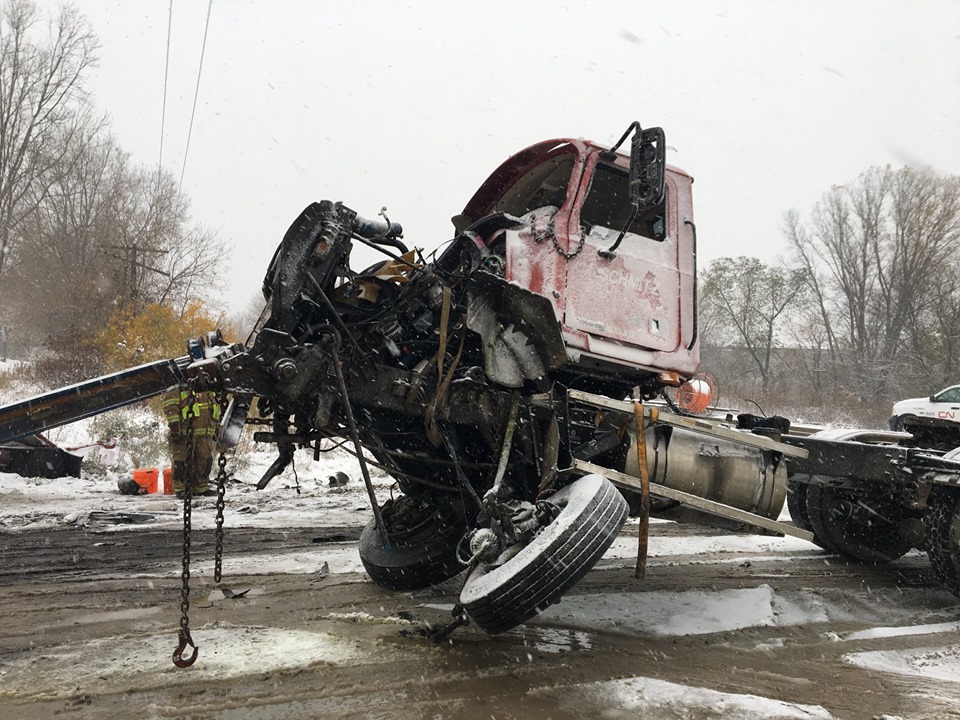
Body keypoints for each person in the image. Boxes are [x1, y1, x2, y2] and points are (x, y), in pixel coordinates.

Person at [163, 386, 221, 498]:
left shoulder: (207, 385)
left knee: (205, 459)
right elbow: (170, 405)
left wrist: (217, 427)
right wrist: (174, 426)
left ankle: (201, 487)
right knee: (181, 461)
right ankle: (181, 488)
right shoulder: (178, 386)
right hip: (184, 433)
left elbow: (214, 407)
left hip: (205, 432)